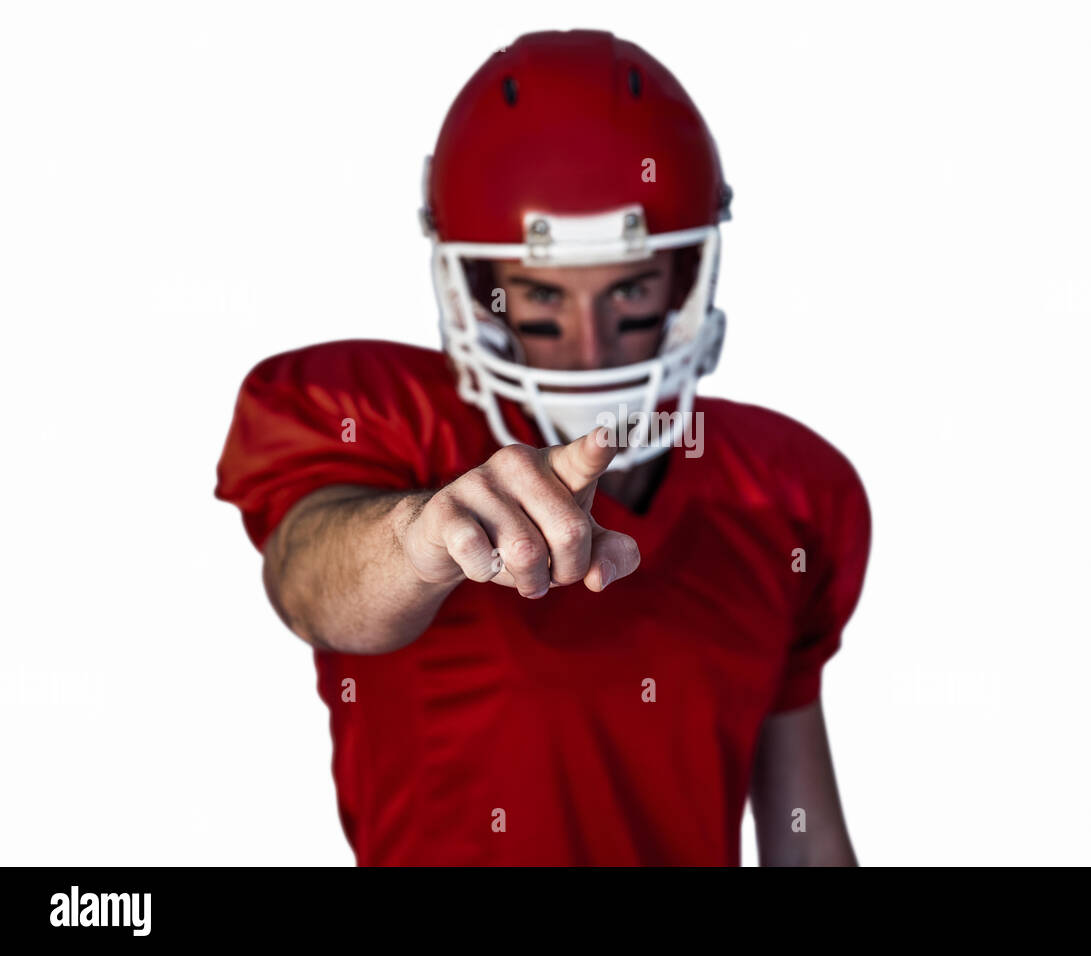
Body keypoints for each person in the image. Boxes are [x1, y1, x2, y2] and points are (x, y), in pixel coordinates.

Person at [215, 29, 872, 866]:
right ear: (483, 294)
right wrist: (419, 539)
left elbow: (802, 837)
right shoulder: (370, 413)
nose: (591, 351)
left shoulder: (787, 490)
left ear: (682, 281)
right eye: (541, 296)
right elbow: (308, 586)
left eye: (628, 289)